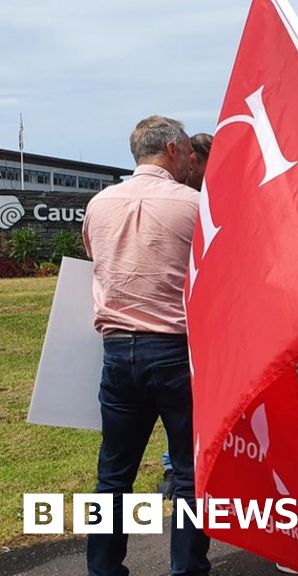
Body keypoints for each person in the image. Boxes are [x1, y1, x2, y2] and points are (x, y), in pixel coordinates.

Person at [82, 115, 210, 576]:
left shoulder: (99, 204)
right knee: (191, 474)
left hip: (118, 353)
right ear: (173, 150)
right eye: (189, 156)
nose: (192, 163)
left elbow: (98, 260)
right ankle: (188, 568)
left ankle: (103, 568)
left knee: (112, 475)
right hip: (177, 351)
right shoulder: (195, 205)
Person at [158, 131, 215, 501]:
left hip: (202, 317)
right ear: (192, 162)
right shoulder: (189, 201)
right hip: (181, 323)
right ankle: (174, 469)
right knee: (180, 408)